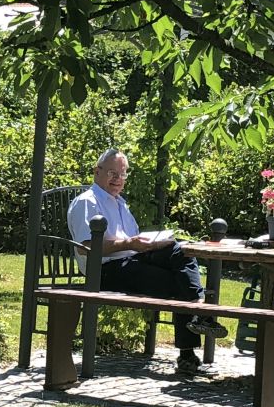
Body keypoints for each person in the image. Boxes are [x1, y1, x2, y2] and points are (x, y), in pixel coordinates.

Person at [66, 147, 223, 374]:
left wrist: (153, 244)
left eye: (123, 174)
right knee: (177, 281)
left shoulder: (119, 203)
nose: (118, 180)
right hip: (105, 271)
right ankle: (190, 347)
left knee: (180, 251)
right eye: (113, 173)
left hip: (131, 260)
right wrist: (130, 244)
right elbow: (87, 248)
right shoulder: (87, 202)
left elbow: (132, 242)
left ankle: (198, 310)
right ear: (97, 172)